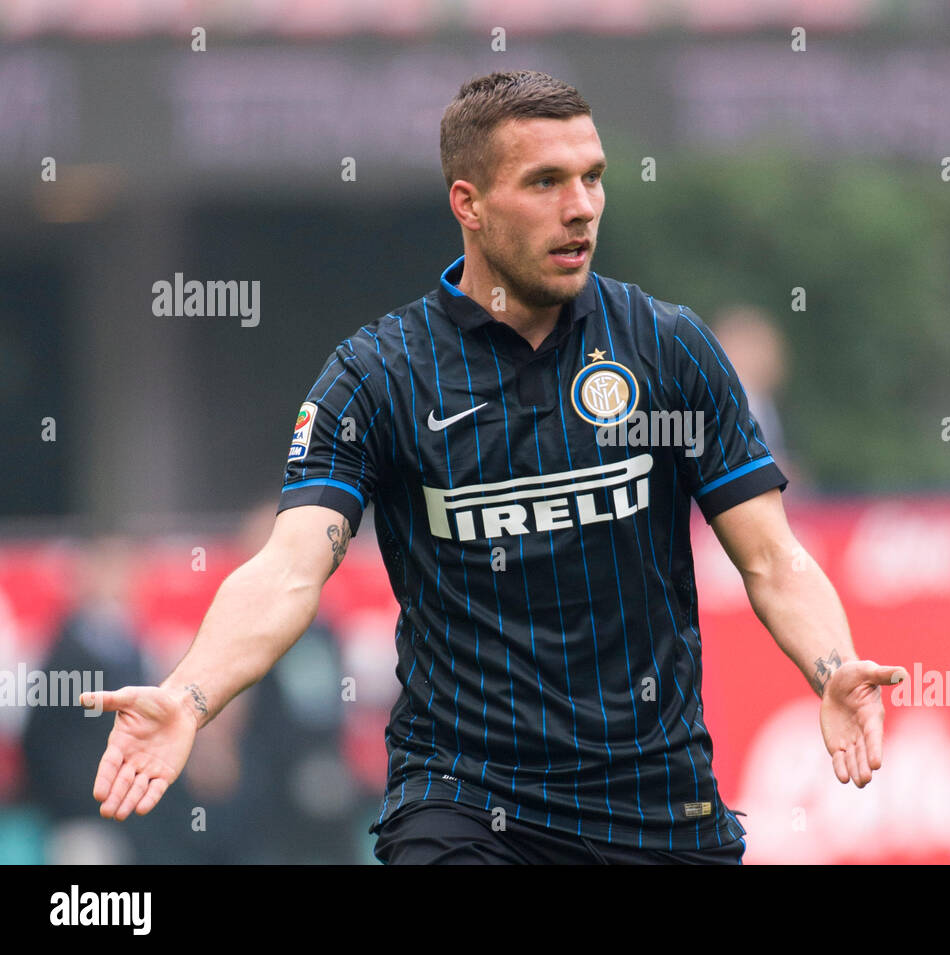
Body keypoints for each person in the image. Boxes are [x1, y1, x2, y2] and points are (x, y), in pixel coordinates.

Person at [81, 70, 905, 865]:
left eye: (592, 177)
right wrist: (189, 696)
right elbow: (289, 570)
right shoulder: (379, 376)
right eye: (545, 182)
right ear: (467, 204)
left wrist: (830, 665)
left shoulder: (669, 349)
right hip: (465, 801)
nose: (580, 207)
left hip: (657, 802)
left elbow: (772, 557)